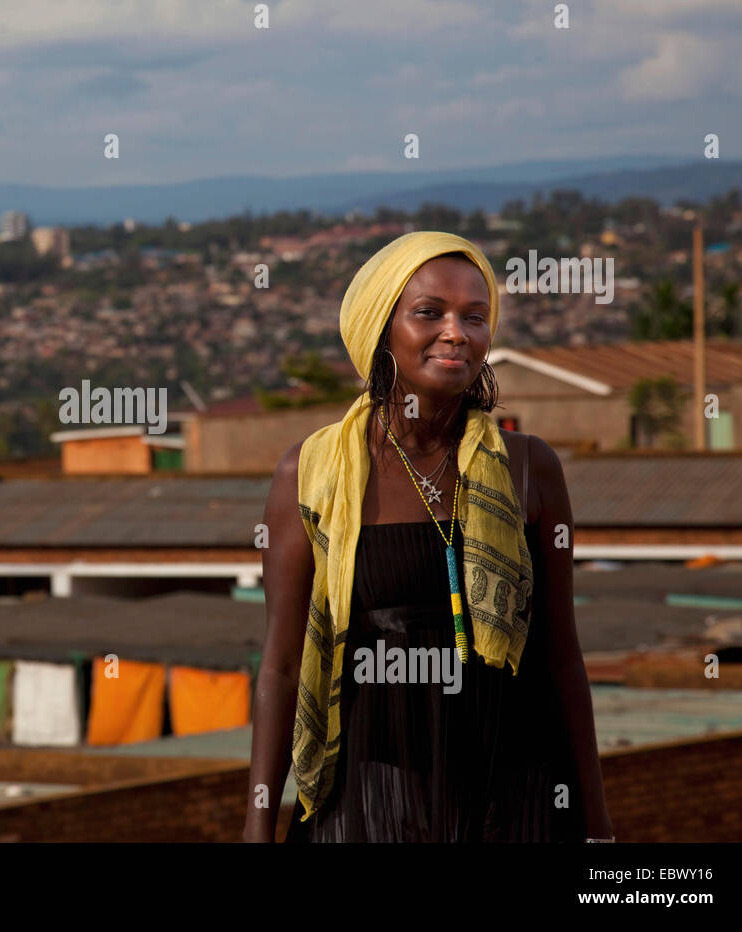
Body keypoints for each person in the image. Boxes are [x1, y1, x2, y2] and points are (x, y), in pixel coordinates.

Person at [243, 231, 613, 843]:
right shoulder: (311, 476)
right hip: (367, 800)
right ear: (380, 329)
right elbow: (281, 666)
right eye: (429, 313)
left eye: (475, 316)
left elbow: (561, 657)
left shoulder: (527, 468)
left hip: (512, 802)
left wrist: (596, 822)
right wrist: (258, 828)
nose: (456, 333)